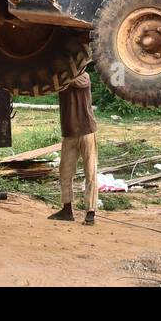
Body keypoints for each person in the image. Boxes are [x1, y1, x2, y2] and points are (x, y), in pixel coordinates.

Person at [49, 71, 99, 225]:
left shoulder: (84, 76)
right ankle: (67, 209)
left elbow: (77, 82)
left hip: (86, 131)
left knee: (90, 172)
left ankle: (90, 211)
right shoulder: (60, 79)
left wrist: (60, 73)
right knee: (65, 172)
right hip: (69, 132)